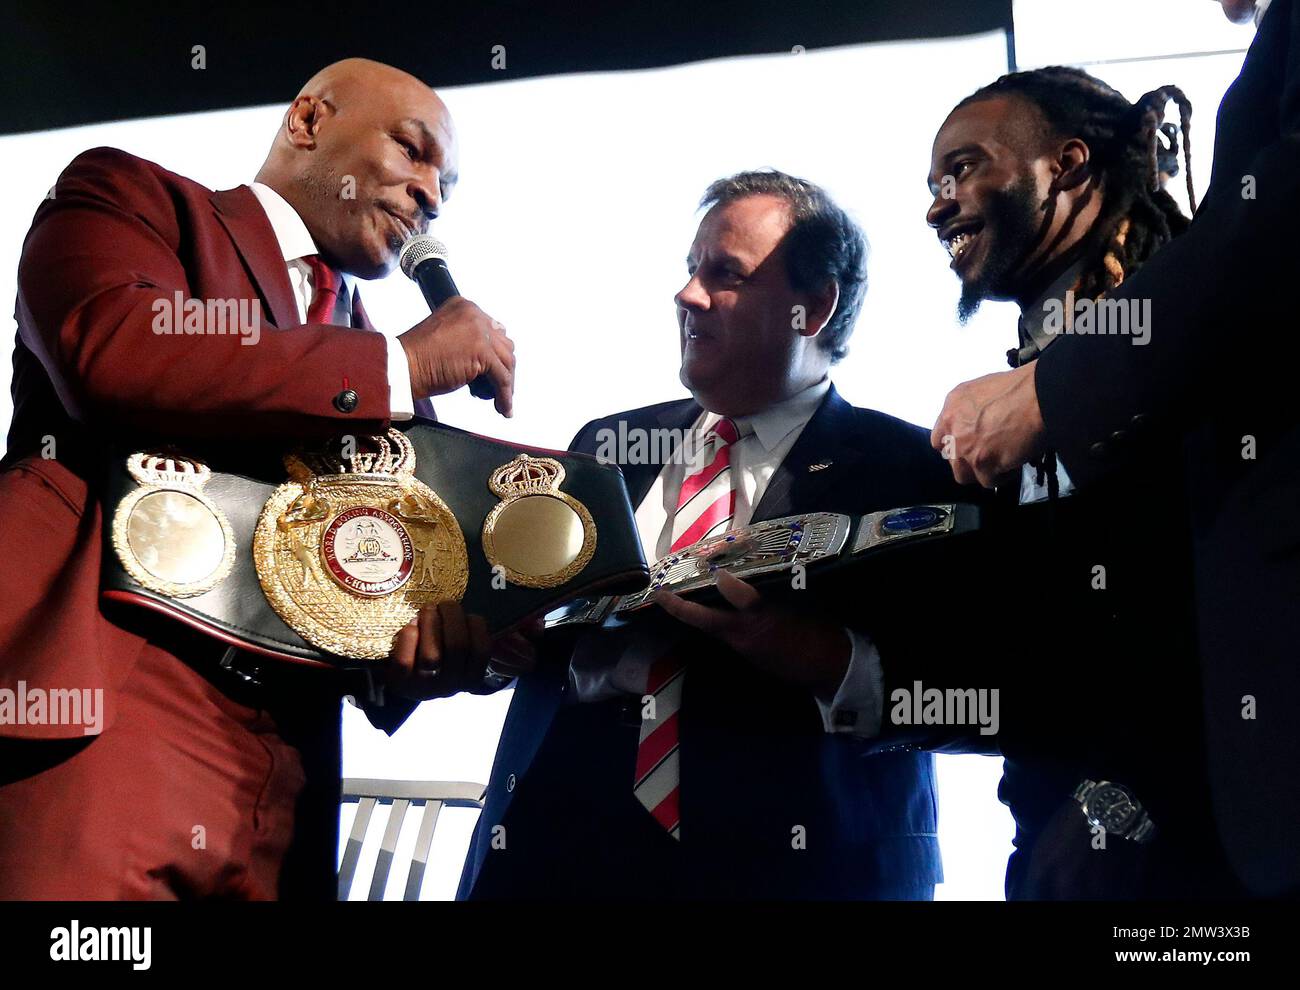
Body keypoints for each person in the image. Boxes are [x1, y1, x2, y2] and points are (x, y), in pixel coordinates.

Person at [0, 58, 522, 900]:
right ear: (309, 120)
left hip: (291, 773)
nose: (431, 193)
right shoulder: (130, 197)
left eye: (447, 188)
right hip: (108, 710)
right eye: (413, 150)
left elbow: (370, 594)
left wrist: (434, 654)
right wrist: (403, 362)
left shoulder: (390, 400)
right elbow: (116, 351)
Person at [459, 170, 972, 900]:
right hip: (554, 845)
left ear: (814, 307)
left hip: (795, 865)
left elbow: (976, 681)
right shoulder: (604, 446)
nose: (688, 294)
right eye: (691, 270)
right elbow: (524, 636)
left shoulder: (914, 470)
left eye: (725, 275)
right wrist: (502, 644)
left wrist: (823, 659)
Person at [930, 0, 1300, 895]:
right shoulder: (1018, 391)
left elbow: (1206, 602)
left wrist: (1121, 801)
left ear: (1068, 163)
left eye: (962, 167)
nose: (937, 203)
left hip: (1192, 849)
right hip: (1059, 844)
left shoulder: (1189, 346)